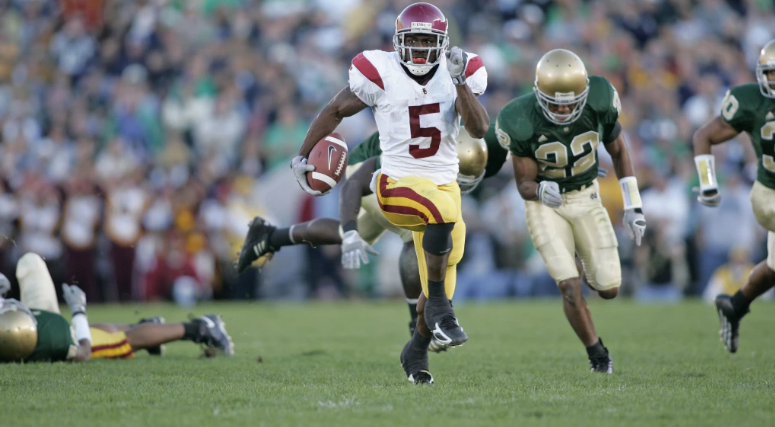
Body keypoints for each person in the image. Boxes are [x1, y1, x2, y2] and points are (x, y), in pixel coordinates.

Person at [284, 3, 489, 385]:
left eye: (429, 41)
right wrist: (301, 152)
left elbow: (478, 129)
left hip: (443, 184)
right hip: (395, 185)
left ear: (443, 43)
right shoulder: (381, 71)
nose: (421, 49)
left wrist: (459, 81)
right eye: (414, 40)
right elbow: (335, 110)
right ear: (398, 41)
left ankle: (416, 349)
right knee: (442, 217)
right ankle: (443, 312)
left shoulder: (460, 69)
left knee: (440, 270)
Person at [237, 125, 507, 351]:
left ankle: (270, 236)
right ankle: (419, 324)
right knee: (414, 229)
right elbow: (355, 184)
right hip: (365, 170)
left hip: (388, 172)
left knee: (349, 234)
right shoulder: (416, 156)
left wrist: (351, 230)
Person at [496, 49, 647, 374]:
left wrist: (633, 205)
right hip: (545, 205)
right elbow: (522, 182)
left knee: (608, 289)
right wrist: (538, 188)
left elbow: (620, 151)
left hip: (586, 196)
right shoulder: (520, 118)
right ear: (538, 94)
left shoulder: (600, 100)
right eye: (555, 102)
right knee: (568, 285)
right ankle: (597, 353)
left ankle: (580, 254)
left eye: (570, 101)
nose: (564, 108)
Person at [692, 39, 775, 353]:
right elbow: (704, 135)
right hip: (769, 193)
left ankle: (735, 305)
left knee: (772, 268)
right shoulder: (749, 101)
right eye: (772, 73)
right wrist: (708, 182)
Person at [0, 252, 233, 363]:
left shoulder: (45, 335)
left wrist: (78, 310)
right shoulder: (41, 333)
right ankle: (159, 328)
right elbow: (81, 348)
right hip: (42, 327)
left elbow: (83, 350)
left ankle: (200, 327)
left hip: (46, 332)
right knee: (90, 336)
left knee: (115, 340)